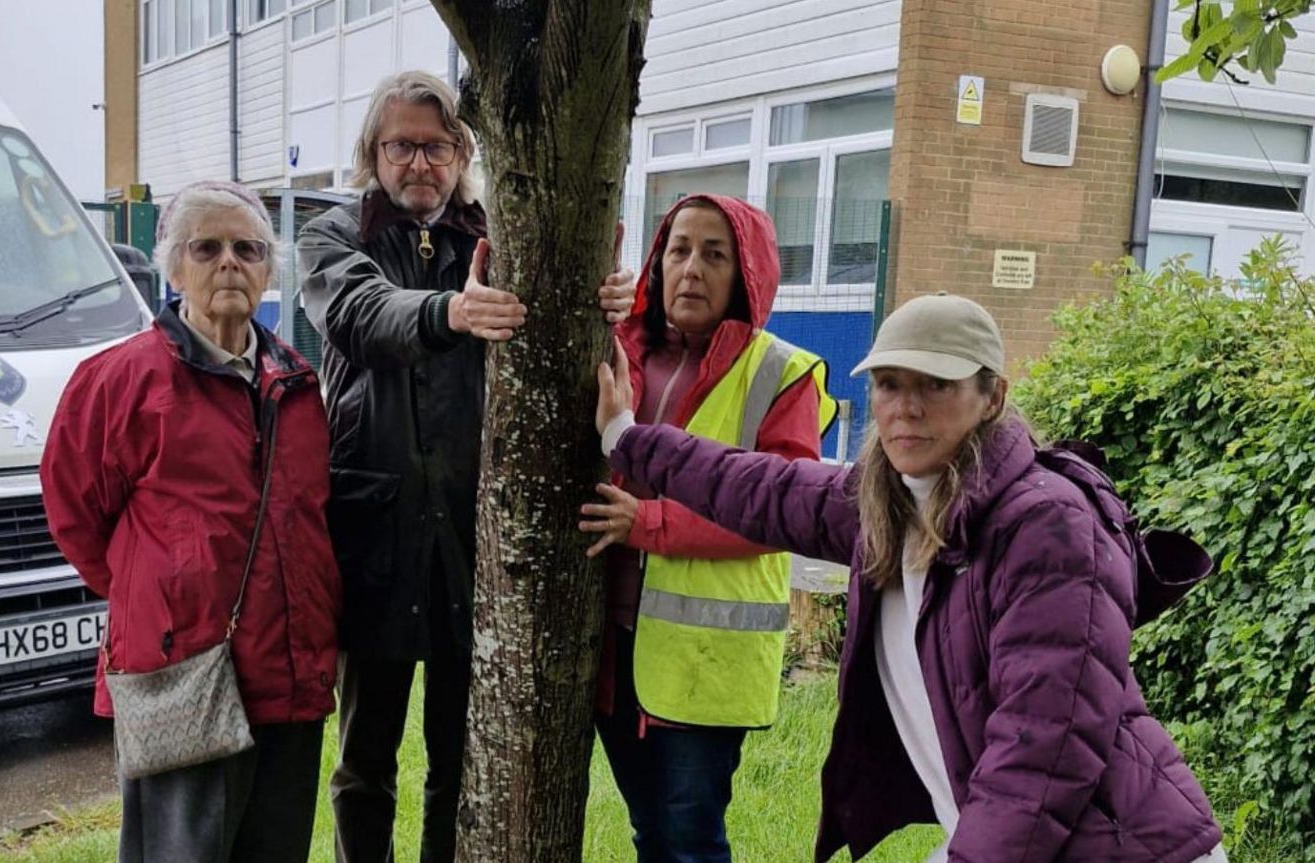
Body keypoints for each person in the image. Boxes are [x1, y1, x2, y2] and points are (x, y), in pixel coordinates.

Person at [592, 293, 1227, 863]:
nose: (907, 408)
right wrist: (626, 436)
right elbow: (761, 487)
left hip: (1116, 847)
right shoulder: (887, 504)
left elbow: (1044, 750)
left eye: (937, 384)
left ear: (993, 397)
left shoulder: (1046, 526)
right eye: (889, 384)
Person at [297, 70, 636, 863]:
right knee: (365, 759)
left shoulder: (495, 236)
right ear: (373, 152)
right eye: (402, 146)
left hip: (471, 535)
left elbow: (557, 325)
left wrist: (608, 298)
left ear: (463, 152)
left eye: (438, 146)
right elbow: (357, 312)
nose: (420, 163)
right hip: (374, 531)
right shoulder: (336, 234)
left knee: (459, 752)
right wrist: (448, 310)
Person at [41, 180, 339, 863]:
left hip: (289, 677)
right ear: (173, 269)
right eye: (207, 248)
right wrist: (158, 591)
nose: (229, 262)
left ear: (268, 270)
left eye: (248, 249)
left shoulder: (297, 382)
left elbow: (310, 520)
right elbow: (76, 514)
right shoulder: (120, 380)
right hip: (184, 676)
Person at [577, 194, 835, 863]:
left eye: (714, 254)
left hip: (707, 664)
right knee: (651, 832)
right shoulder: (616, 350)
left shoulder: (779, 374)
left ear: (747, 272)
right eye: (679, 249)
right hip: (613, 650)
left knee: (689, 842)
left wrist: (647, 521)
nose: (691, 268)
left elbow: (779, 512)